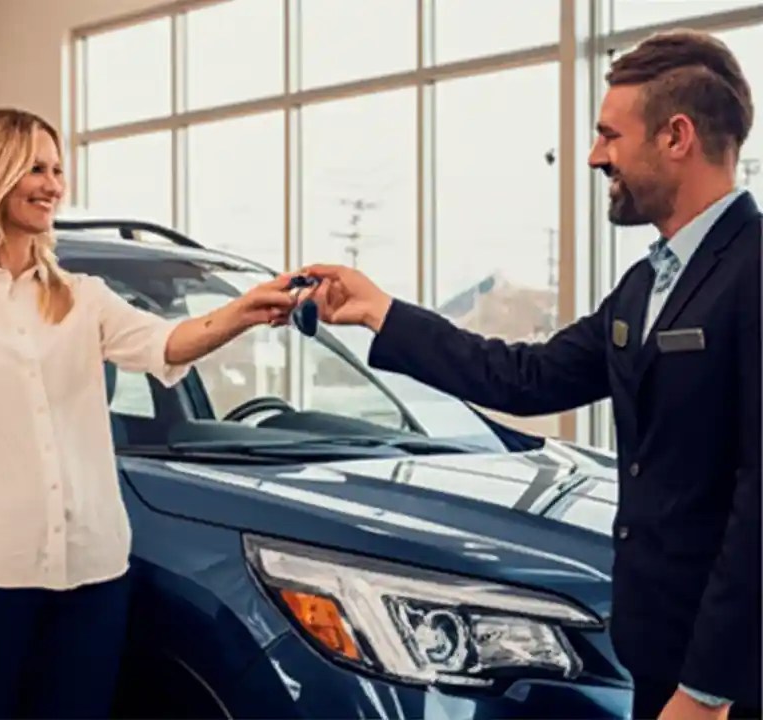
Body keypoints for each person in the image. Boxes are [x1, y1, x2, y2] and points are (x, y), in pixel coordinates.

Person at [299, 29, 759, 720]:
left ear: (676, 136)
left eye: (609, 134)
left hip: (724, 683)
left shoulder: (754, 272)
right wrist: (382, 313)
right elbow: (527, 377)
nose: (594, 155)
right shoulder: (645, 284)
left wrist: (708, 690)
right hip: (658, 651)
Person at [0, 107, 299, 719]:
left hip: (94, 569)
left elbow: (165, 344)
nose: (52, 185)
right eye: (34, 169)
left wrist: (243, 311)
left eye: (57, 169)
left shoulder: (81, 296)